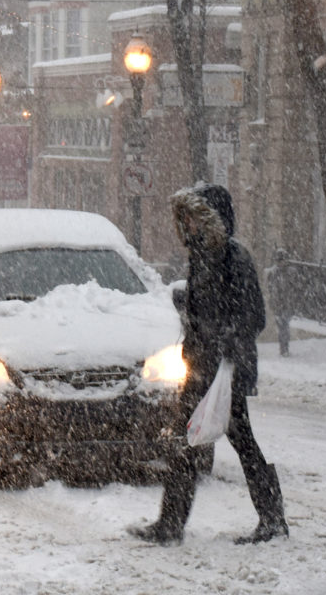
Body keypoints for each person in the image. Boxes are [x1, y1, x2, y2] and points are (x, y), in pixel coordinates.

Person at [130, 183, 286, 546]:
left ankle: (270, 518)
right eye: (184, 217)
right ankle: (172, 524)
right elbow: (206, 311)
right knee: (189, 444)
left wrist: (223, 344)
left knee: (237, 444)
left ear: (210, 219)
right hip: (202, 368)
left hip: (225, 372)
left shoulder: (234, 258)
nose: (187, 224)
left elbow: (254, 316)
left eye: (193, 217)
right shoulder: (200, 256)